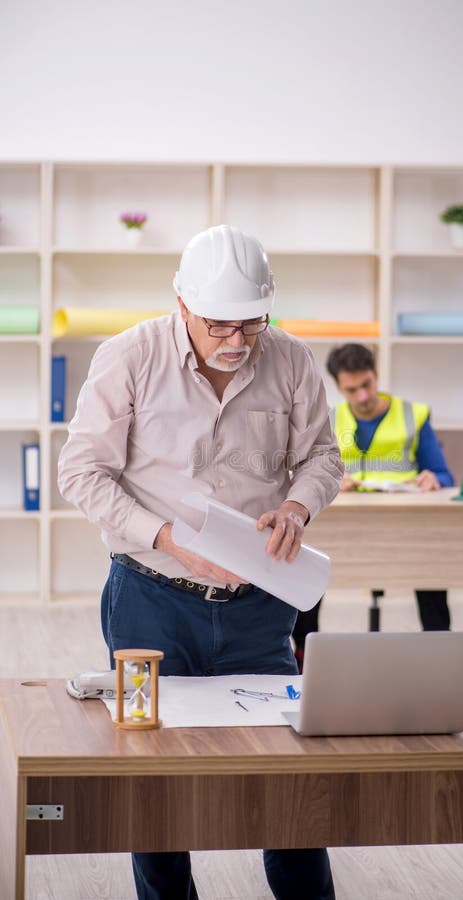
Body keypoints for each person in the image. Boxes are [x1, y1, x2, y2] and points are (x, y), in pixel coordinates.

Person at [57, 224, 343, 900]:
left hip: (259, 605)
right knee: (152, 783)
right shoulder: (129, 356)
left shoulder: (292, 360)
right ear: (182, 304)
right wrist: (161, 535)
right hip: (148, 598)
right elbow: (81, 471)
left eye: (252, 323)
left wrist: (297, 507)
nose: (237, 342)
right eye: (219, 325)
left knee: (288, 778)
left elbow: (322, 460)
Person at [292, 342, 453, 668]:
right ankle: (305, 654)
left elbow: (443, 474)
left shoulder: (413, 415)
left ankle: (441, 651)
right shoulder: (329, 420)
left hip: (405, 528)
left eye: (366, 385)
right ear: (339, 387)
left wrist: (432, 480)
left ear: (376, 376)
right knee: (307, 568)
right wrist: (331, 481)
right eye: (352, 390)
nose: (362, 396)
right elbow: (303, 473)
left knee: (433, 565)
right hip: (344, 531)